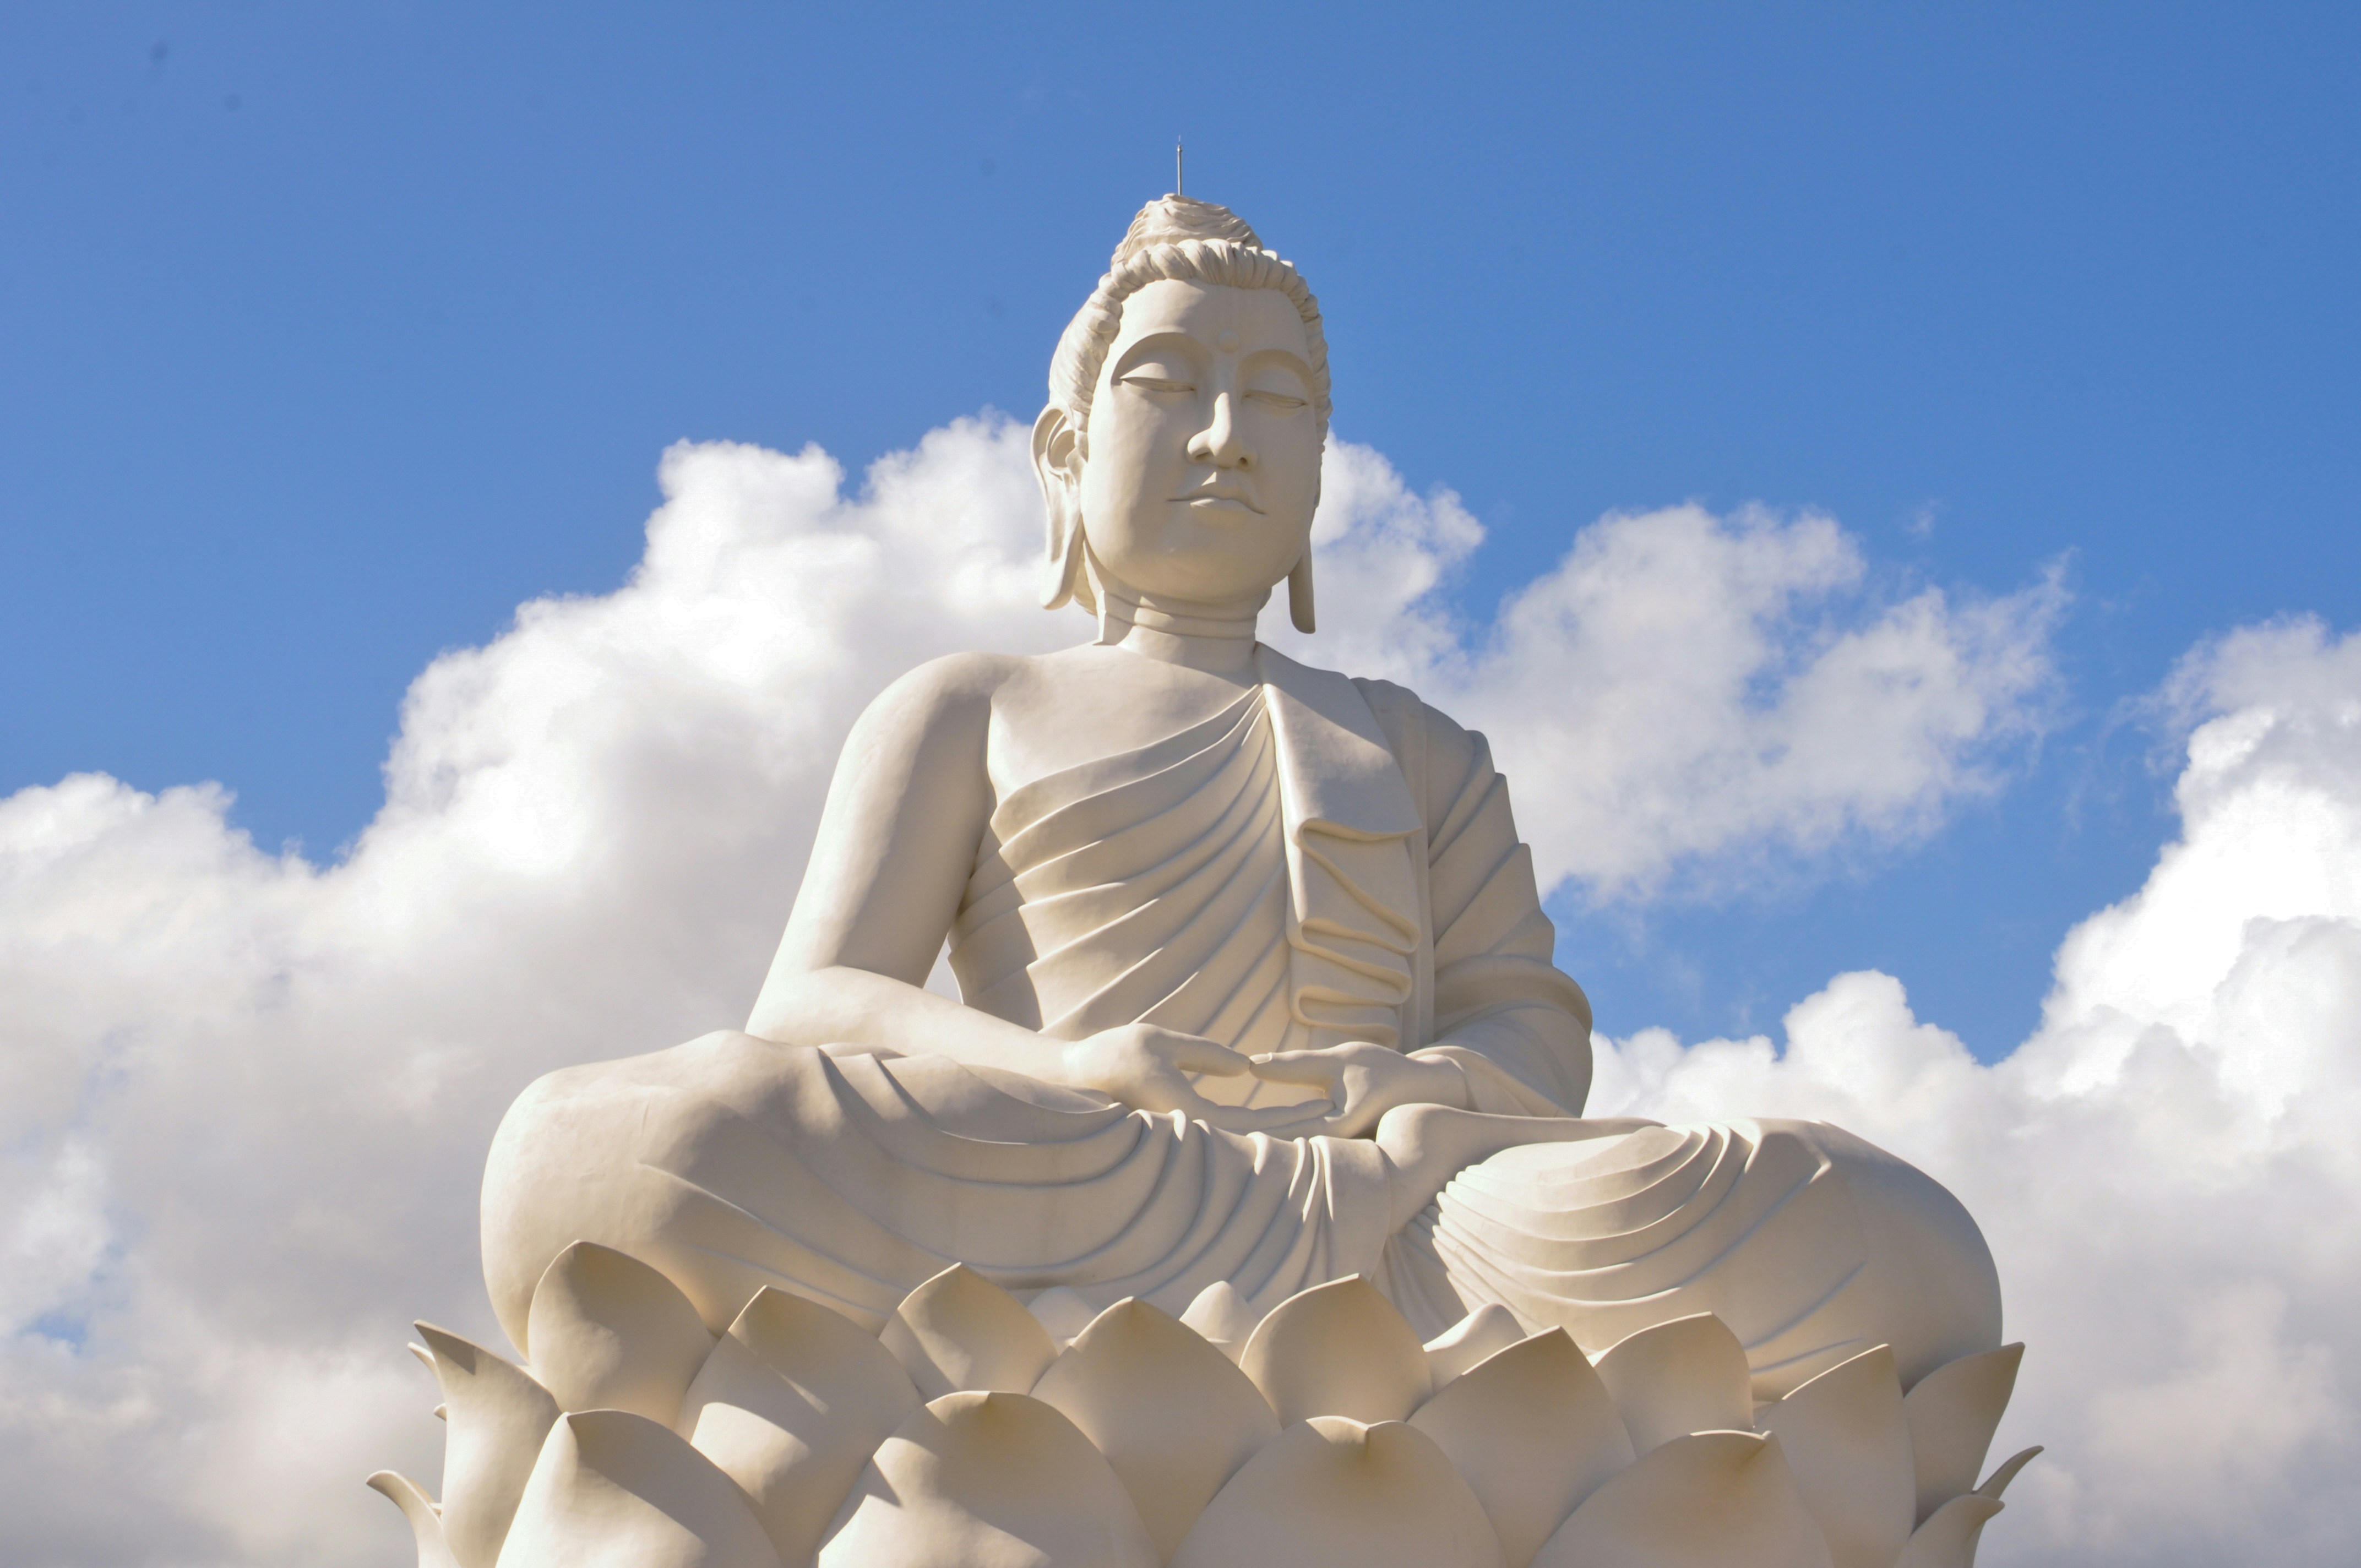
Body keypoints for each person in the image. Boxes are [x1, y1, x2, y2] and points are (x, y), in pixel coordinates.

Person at [481, 197, 2000, 1394]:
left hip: (1420, 1206)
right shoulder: (974, 704)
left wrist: (1430, 1102)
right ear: (1067, 453)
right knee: (611, 1147)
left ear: (1322, 470)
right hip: (1085, 1164)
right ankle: (1367, 1368)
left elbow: (1529, 1024)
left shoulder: (1417, 745)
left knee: (1882, 1229)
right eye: (1172, 385)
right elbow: (818, 1003)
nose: (1226, 436)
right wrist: (1074, 1077)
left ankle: (1261, 1323)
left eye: (1278, 402)